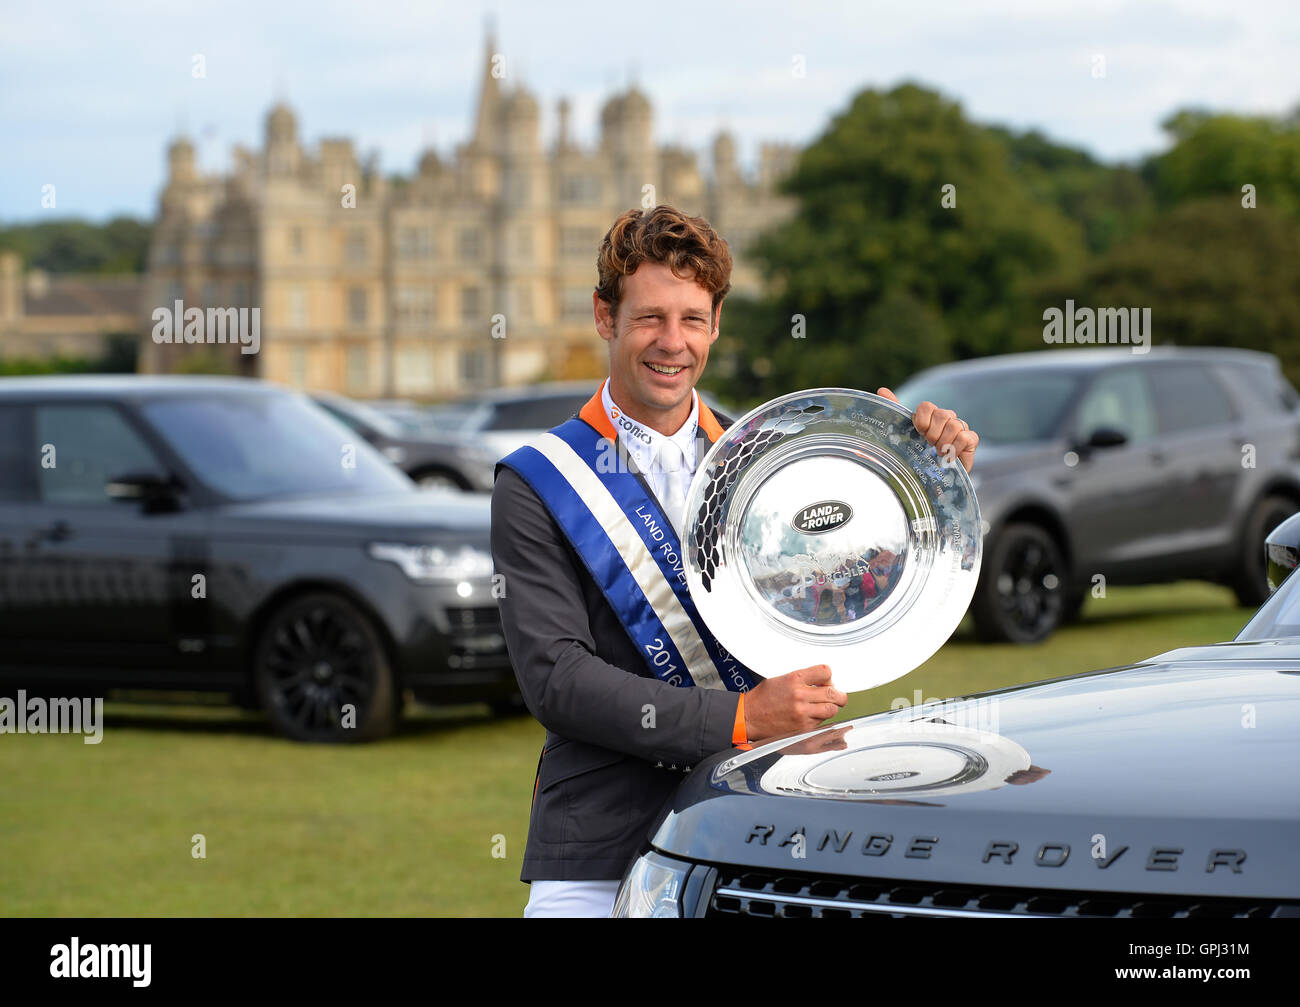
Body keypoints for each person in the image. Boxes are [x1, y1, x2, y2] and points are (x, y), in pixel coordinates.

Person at [490, 205, 979, 918]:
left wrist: (924, 469)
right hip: (601, 836)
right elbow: (557, 681)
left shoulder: (762, 458)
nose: (672, 342)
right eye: (649, 317)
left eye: (692, 319)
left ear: (716, 325)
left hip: (767, 814)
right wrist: (740, 716)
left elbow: (858, 573)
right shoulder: (538, 479)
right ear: (605, 317)